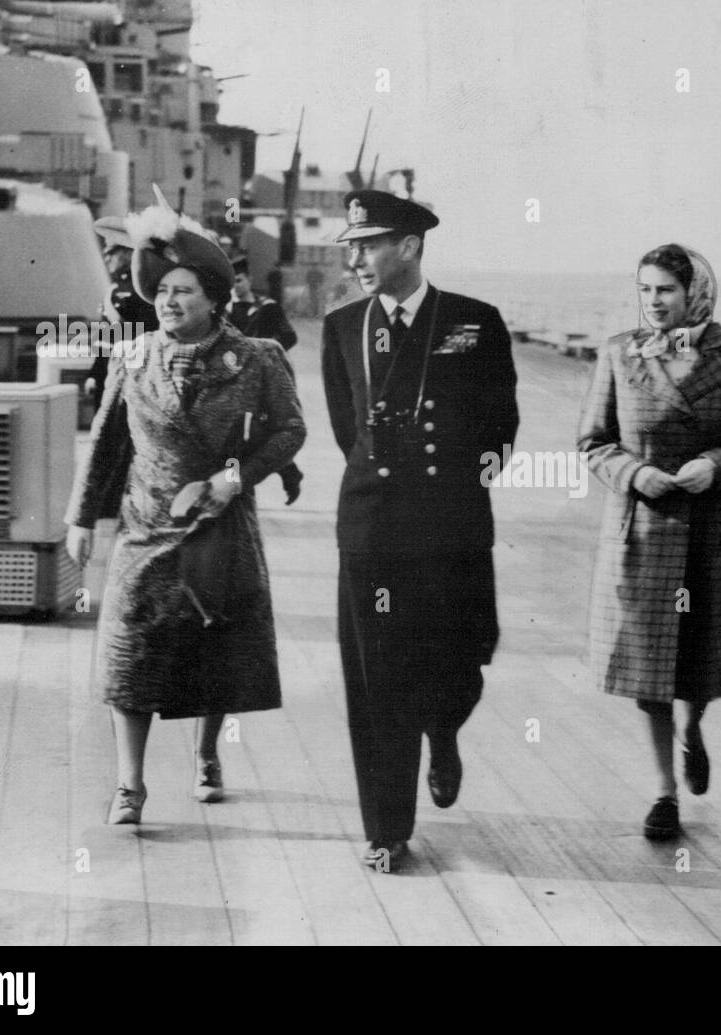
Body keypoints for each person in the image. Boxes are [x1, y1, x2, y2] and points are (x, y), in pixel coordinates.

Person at [64, 202, 306, 825]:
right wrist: (80, 519)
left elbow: (290, 431)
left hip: (218, 527)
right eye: (163, 291)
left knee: (216, 645)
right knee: (129, 655)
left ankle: (206, 757)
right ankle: (130, 785)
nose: (169, 302)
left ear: (215, 297)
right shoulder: (132, 358)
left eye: (184, 291)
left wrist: (235, 477)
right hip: (145, 528)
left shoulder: (258, 358)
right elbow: (107, 444)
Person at [321, 190, 519, 872]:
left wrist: (466, 481)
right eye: (350, 245)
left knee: (459, 662)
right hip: (373, 530)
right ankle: (386, 828)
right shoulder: (343, 327)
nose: (354, 258)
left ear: (409, 245)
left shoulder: (474, 321)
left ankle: (444, 729)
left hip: (451, 530)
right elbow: (350, 431)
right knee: (375, 679)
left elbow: (500, 426)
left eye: (368, 243)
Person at [577, 243, 721, 841]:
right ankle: (664, 790)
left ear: (695, 292)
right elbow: (592, 441)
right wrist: (637, 474)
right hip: (641, 527)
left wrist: (716, 466)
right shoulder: (618, 353)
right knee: (647, 665)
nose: (653, 302)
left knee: (699, 656)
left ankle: (694, 728)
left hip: (708, 527)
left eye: (665, 289)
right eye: (644, 289)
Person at [227, 256, 303, 503]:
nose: (235, 286)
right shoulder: (223, 308)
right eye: (232, 282)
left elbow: (289, 337)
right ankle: (234, 484)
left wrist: (266, 352)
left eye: (239, 280)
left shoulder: (267, 307)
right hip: (232, 380)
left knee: (267, 431)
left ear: (249, 280)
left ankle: (288, 472)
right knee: (234, 433)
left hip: (261, 380)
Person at [86, 217, 158, 413]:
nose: (107, 259)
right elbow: (104, 340)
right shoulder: (115, 290)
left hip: (134, 374)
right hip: (112, 370)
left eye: (112, 253)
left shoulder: (140, 291)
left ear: (127, 253)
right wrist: (96, 373)